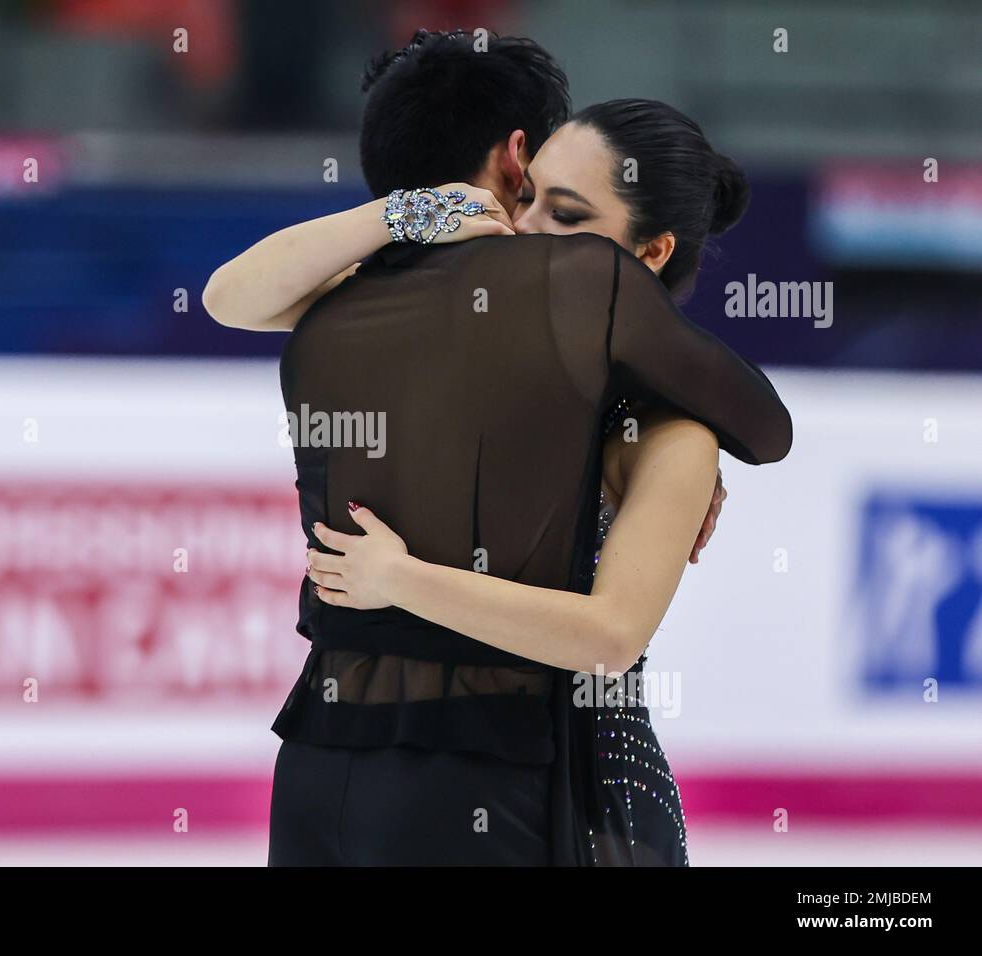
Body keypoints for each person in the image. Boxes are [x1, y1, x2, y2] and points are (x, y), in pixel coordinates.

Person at [205, 31, 791, 866]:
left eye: (570, 218)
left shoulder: (660, 413)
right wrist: (413, 212)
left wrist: (401, 581)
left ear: (648, 256)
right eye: (535, 200)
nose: (530, 229)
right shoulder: (487, 314)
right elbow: (230, 295)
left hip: (519, 775)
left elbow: (613, 628)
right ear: (515, 164)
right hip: (502, 769)